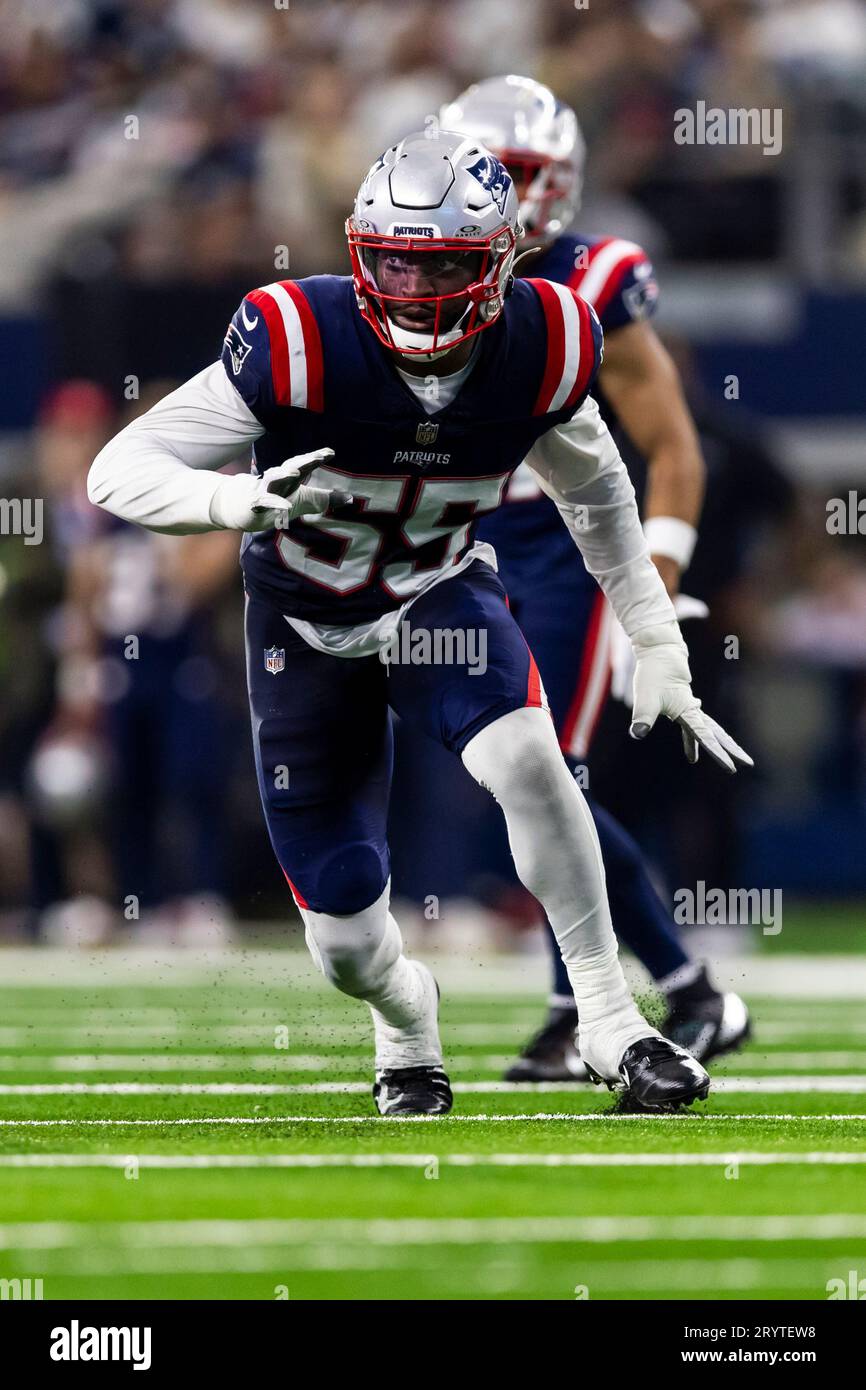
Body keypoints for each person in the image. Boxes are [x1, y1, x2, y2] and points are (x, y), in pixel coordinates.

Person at [87, 129, 751, 1116]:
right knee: (347, 936)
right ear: (359, 251)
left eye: (437, 261)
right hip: (303, 626)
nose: (410, 284)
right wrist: (238, 505)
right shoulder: (297, 335)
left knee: (530, 759)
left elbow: (600, 504)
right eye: (391, 258)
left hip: (434, 594)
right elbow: (118, 470)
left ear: (495, 260)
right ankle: (404, 1017)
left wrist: (653, 636)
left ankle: (611, 1022)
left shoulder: (545, 339)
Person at [440, 76, 751, 1077]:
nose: (500, 192)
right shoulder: (420, 261)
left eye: (520, 174)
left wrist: (647, 591)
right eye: (487, 170)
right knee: (522, 779)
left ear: (560, 181)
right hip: (472, 548)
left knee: (549, 779)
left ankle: (657, 995)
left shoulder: (589, 279)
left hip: (572, 550)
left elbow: (675, 448)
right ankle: (627, 995)